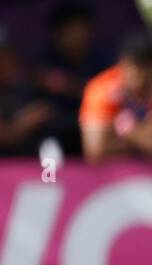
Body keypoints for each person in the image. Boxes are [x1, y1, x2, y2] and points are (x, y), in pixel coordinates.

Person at [79, 32, 152, 163]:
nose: (136, 74)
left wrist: (129, 132)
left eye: (142, 68)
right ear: (121, 65)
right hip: (113, 174)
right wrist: (149, 135)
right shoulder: (100, 89)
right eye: (131, 67)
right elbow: (95, 152)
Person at [34, 1, 112, 158]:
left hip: (93, 124)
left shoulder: (103, 61)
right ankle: (49, 177)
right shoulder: (45, 61)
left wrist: (70, 86)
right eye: (70, 31)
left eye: (80, 30)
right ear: (57, 34)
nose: (76, 37)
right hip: (54, 128)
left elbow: (109, 96)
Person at [0, 29, 55, 159]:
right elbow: (6, 136)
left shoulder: (25, 90)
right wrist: (25, 122)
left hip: (31, 166)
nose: (7, 63)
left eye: (9, 56)